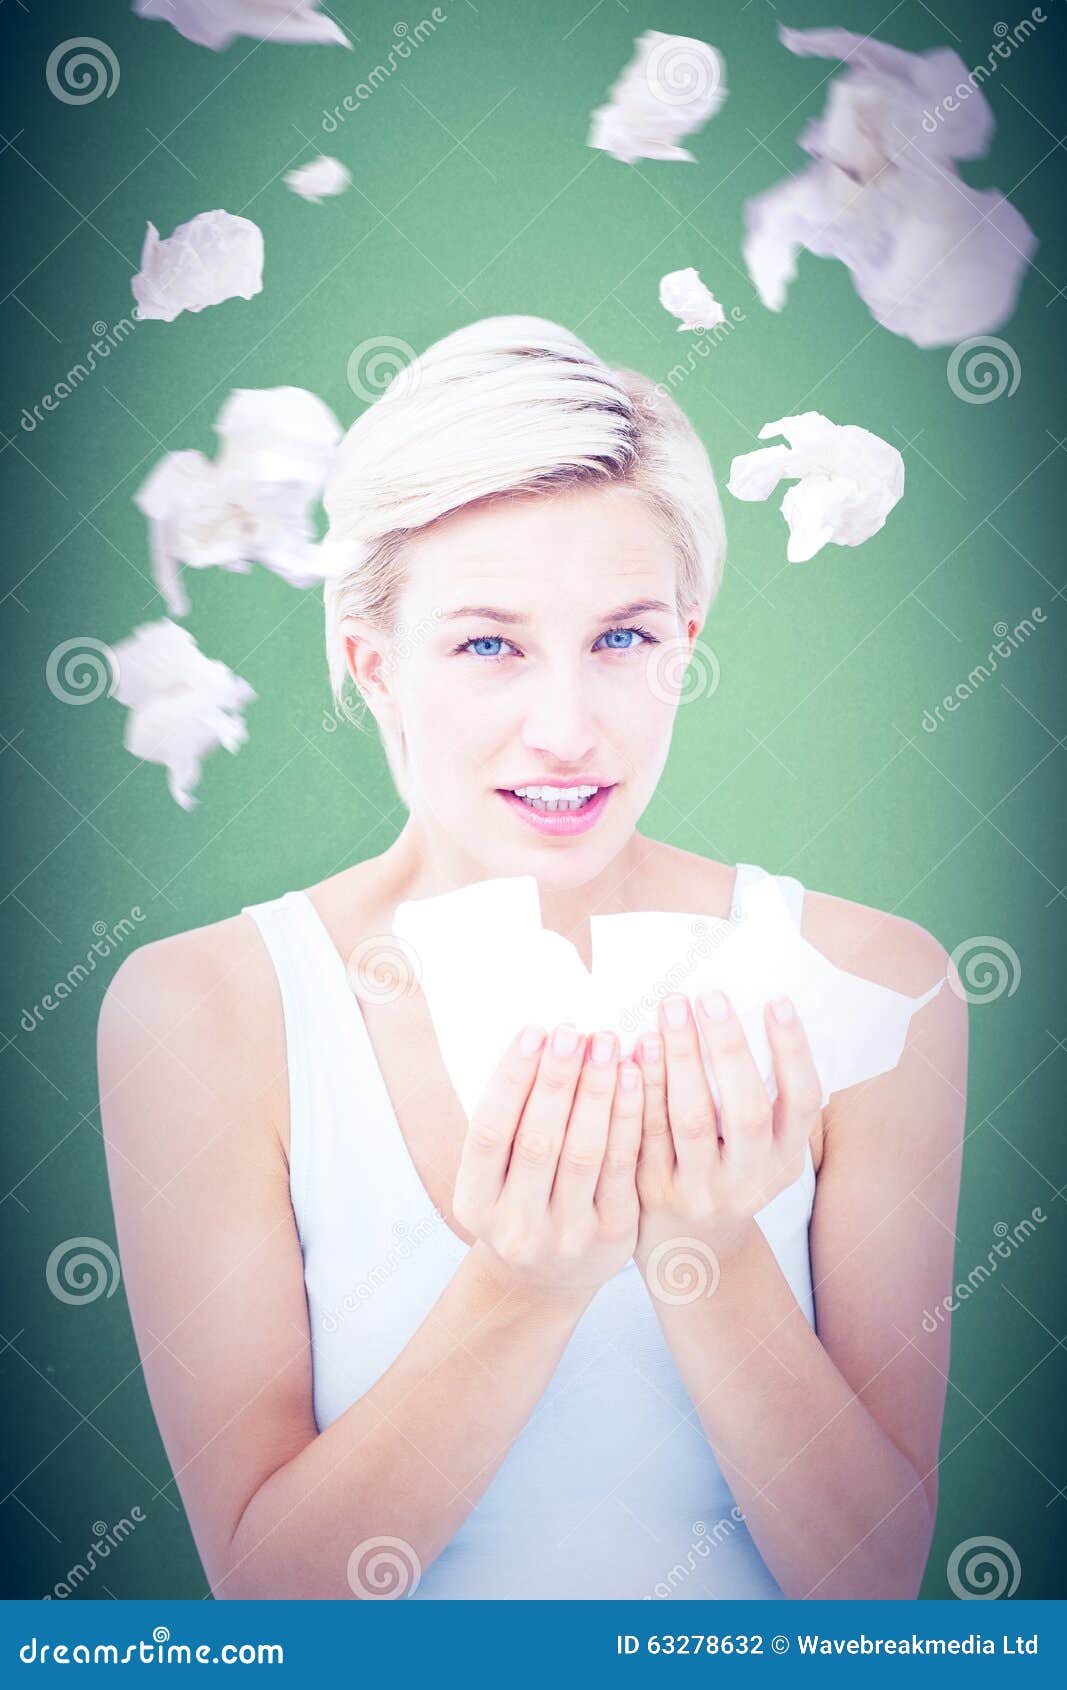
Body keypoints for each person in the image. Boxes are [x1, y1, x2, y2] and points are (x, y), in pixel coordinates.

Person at [98, 316, 967, 1601]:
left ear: (685, 639)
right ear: (372, 664)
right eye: (487, 644)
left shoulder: (875, 988)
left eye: (620, 639)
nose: (566, 731)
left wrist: (710, 1258)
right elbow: (271, 1602)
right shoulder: (204, 1009)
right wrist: (522, 1287)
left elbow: (870, 1590)